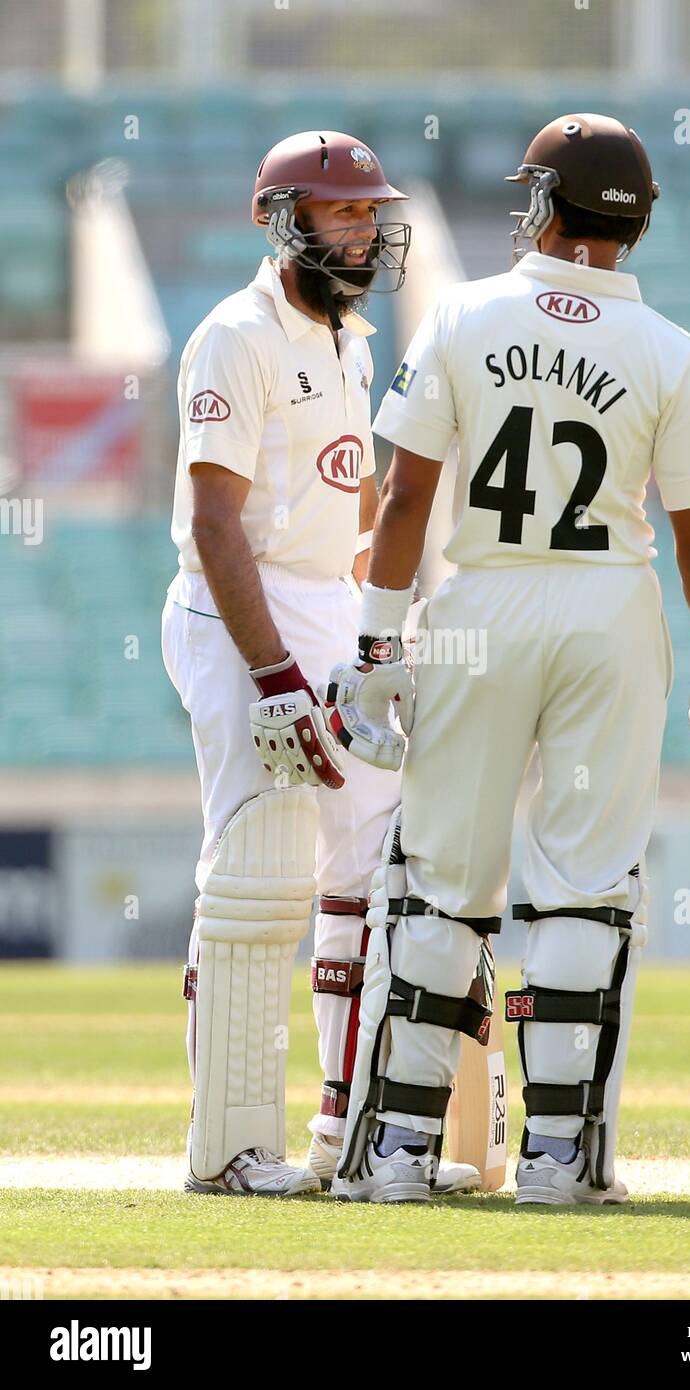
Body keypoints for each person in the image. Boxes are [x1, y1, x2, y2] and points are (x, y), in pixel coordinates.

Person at [326, 113, 690, 1205]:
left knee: (441, 882)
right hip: (606, 618)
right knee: (583, 890)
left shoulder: (460, 314)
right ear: (635, 224)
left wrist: (372, 642)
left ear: (541, 204)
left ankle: (395, 1152)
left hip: (477, 605)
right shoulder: (667, 350)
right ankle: (555, 1158)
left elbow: (404, 496)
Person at [162, 129, 477, 1197]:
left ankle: (346, 1129)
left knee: (367, 865)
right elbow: (214, 523)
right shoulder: (233, 336)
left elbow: (349, 512)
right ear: (278, 219)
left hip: (326, 611)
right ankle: (229, 1146)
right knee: (255, 870)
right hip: (232, 615)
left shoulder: (349, 339)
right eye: (339, 213)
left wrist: (381, 630)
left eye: (366, 214)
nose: (361, 230)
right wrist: (274, 678)